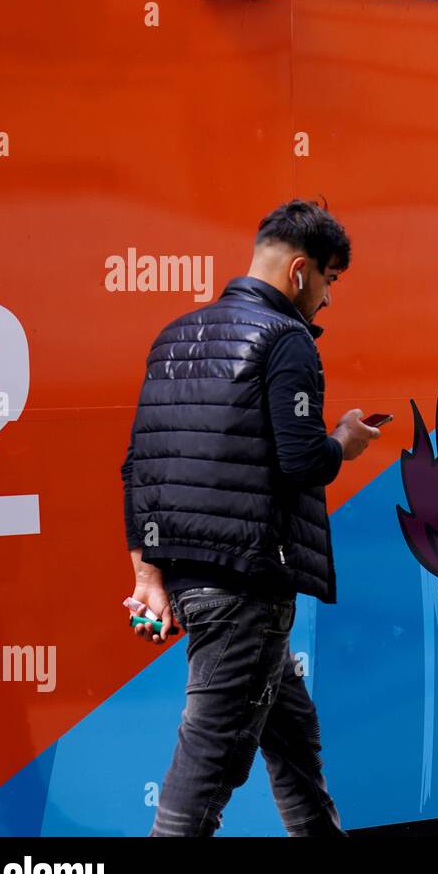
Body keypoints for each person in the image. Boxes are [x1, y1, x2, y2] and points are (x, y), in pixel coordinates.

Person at [119, 199, 379, 836]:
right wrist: (343, 440)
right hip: (247, 595)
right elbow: (300, 461)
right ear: (299, 272)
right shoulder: (287, 339)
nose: (327, 298)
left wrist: (147, 576)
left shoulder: (175, 335)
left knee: (293, 739)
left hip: (194, 583)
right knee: (203, 776)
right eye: (329, 280)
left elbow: (138, 465)